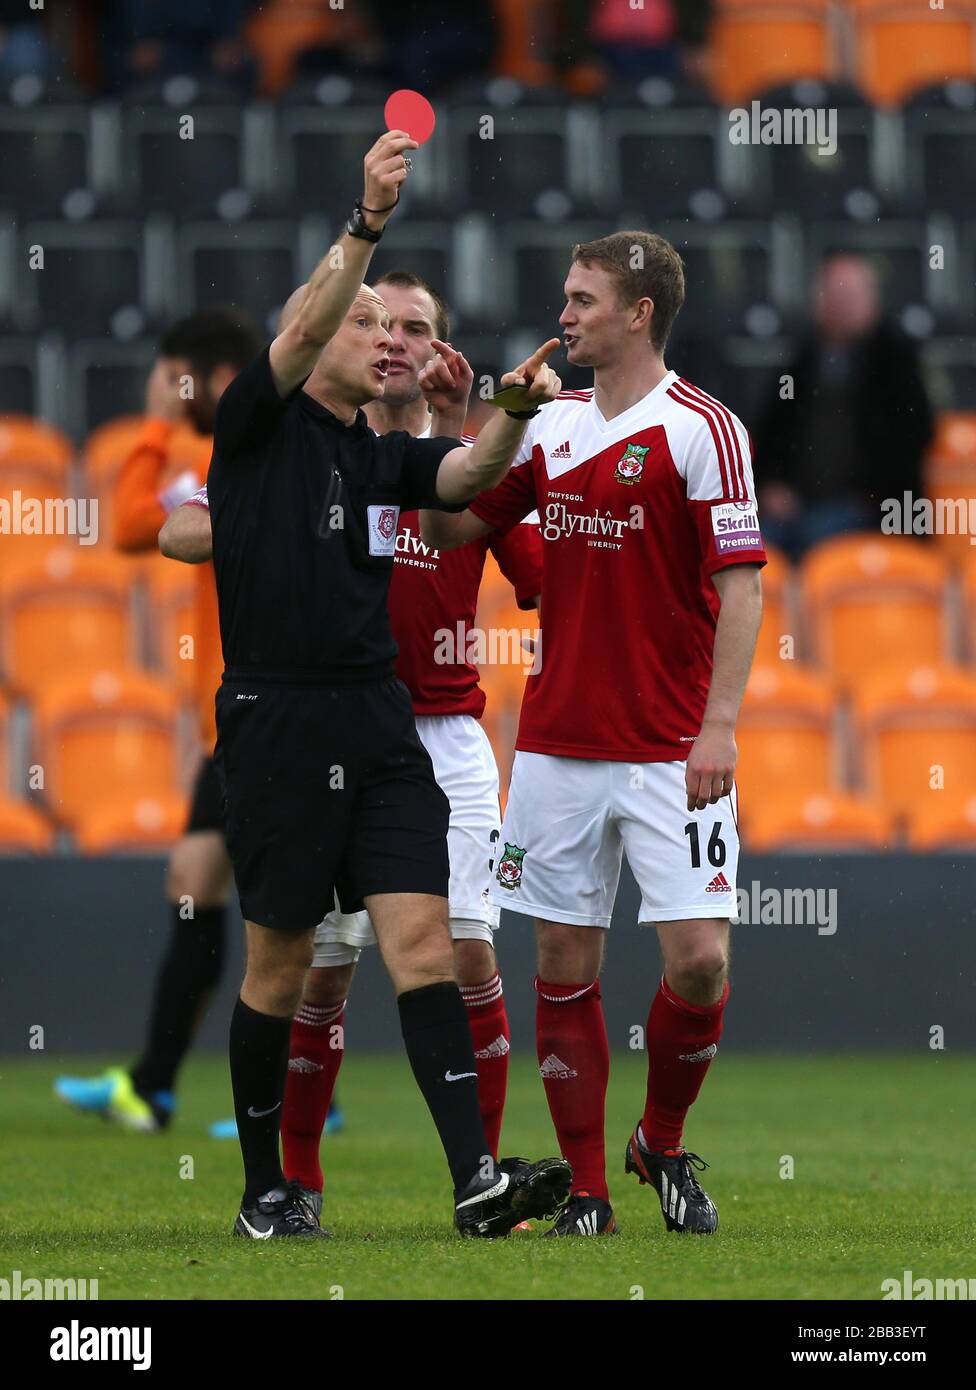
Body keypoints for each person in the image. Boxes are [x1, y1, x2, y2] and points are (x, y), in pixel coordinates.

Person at [198, 129, 569, 1239]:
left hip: (379, 719)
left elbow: (462, 478)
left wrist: (506, 410)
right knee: (278, 967)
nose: (381, 339)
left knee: (423, 947)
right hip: (275, 716)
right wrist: (365, 222)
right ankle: (267, 1187)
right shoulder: (254, 427)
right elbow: (311, 316)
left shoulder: (377, 455)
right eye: (362, 321)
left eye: (396, 325)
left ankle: (475, 1181)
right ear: (311, 338)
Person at [421, 229, 766, 1237]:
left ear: (637, 311)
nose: (561, 315)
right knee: (565, 966)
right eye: (564, 299)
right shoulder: (548, 422)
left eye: (580, 299)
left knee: (698, 959)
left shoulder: (705, 428)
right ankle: (587, 1189)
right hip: (559, 745)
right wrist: (471, 423)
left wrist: (720, 727)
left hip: (670, 747)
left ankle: (657, 1137)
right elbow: (452, 525)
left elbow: (739, 588)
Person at [54, 308, 266, 1134]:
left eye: (173, 378)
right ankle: (156, 1084)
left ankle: (297, 1102)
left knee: (295, 912)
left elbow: (131, 523)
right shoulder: (228, 462)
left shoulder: (244, 455)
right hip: (235, 720)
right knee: (197, 887)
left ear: (208, 382)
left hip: (265, 711)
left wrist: (152, 420)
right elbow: (140, 529)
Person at [754, 253, 934, 560]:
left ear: (873, 300)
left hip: (873, 508)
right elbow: (772, 432)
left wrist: (871, 497)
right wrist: (771, 486)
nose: (841, 305)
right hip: (798, 502)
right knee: (747, 542)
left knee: (812, 539)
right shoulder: (802, 359)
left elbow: (915, 437)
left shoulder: (897, 360)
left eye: (849, 295)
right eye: (832, 295)